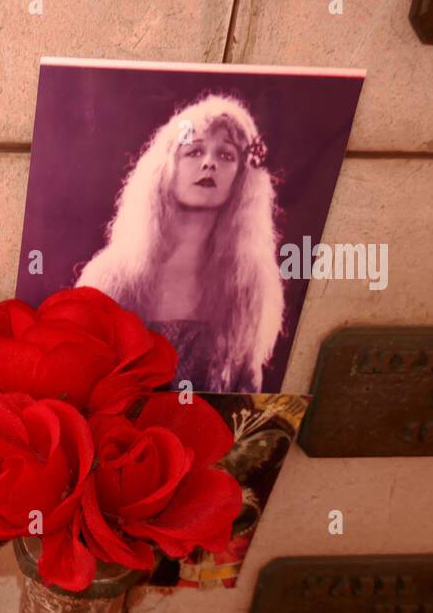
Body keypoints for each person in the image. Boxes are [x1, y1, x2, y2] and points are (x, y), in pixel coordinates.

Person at [76, 93, 282, 393]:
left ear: (241, 177)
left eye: (226, 155)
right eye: (194, 152)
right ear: (166, 169)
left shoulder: (249, 286)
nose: (209, 163)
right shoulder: (110, 276)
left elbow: (246, 396)